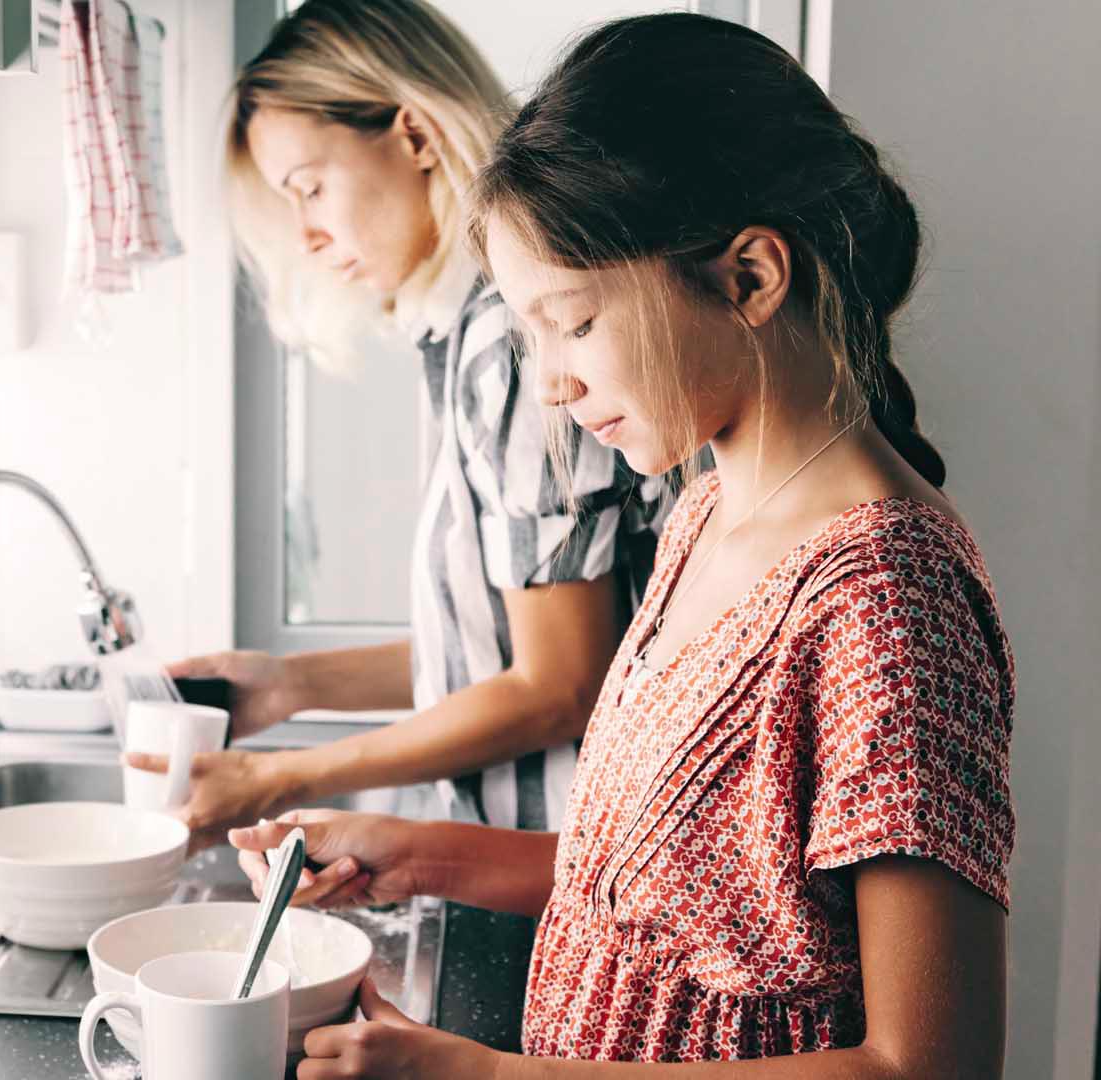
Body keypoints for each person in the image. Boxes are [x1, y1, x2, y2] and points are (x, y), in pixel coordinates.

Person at [232, 12, 1014, 1076]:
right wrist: (415, 855)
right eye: (531, 333)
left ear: (748, 278)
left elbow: (928, 1065)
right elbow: (655, 897)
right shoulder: (703, 515)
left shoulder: (889, 600)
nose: (551, 382)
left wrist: (496, 1077)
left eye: (577, 323)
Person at [125, 0, 669, 1046]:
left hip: (568, 876)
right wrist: (291, 684)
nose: (308, 234)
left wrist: (284, 774)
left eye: (310, 186)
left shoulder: (511, 352)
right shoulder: (464, 344)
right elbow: (502, 645)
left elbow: (561, 684)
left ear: (413, 132)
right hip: (533, 872)